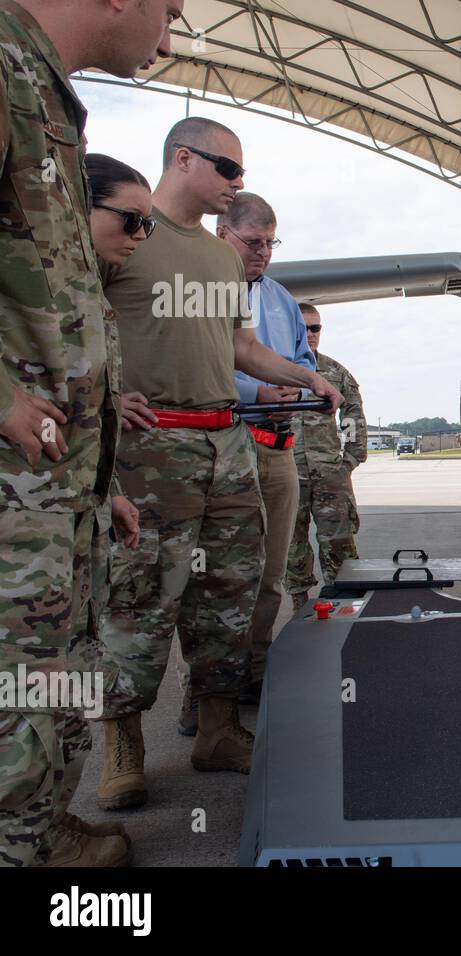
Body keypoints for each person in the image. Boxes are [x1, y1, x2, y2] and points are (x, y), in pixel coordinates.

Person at [93, 116, 340, 811]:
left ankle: (219, 730)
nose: (239, 185)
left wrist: (304, 375)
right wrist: (108, 399)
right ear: (182, 160)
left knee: (228, 598)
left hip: (225, 443)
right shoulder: (126, 237)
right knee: (139, 600)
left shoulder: (222, 258)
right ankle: (123, 741)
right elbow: (75, 322)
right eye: (229, 170)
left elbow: (239, 345)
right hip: (150, 448)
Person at [0, 0, 181, 868]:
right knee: (18, 697)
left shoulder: (47, 97)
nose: (170, 36)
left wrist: (98, 482)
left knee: (57, 683)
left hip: (58, 495)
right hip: (13, 494)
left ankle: (38, 833)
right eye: (171, 11)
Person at [218, 192, 315, 708]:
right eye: (254, 242)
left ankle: (254, 672)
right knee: (218, 577)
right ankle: (206, 693)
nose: (263, 253)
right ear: (222, 235)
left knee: (270, 575)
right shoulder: (198, 294)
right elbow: (203, 364)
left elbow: (302, 358)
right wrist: (258, 391)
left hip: (277, 452)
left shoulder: (280, 299)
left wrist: (297, 390)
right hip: (228, 447)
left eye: (270, 243)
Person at [287, 304, 367, 612]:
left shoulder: (335, 372)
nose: (310, 334)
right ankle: (299, 607)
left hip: (329, 474)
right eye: (304, 328)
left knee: (339, 543)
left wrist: (349, 459)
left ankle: (344, 607)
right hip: (287, 473)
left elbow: (354, 414)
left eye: (315, 328)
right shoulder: (273, 371)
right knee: (291, 547)